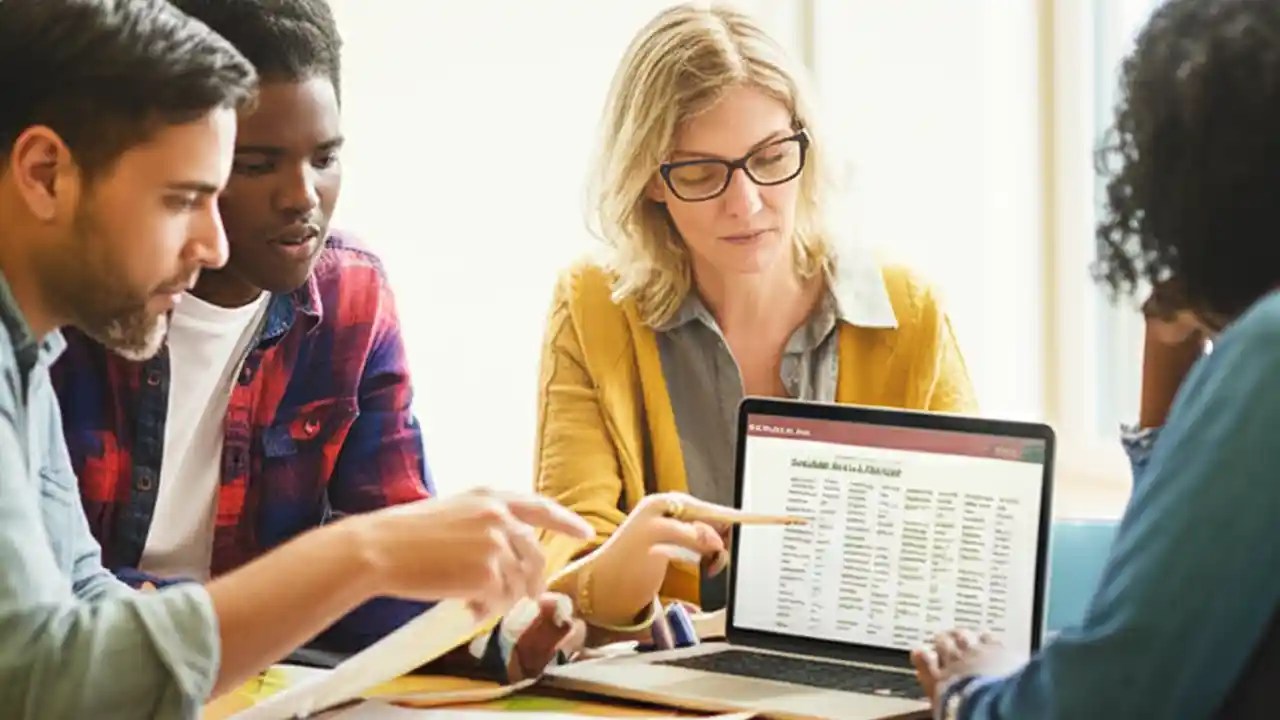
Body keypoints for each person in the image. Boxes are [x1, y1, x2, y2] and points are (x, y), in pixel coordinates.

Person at [0, 0, 591, 716]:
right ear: (43, 173)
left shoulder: (29, 352)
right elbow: (45, 678)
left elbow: (86, 594)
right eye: (183, 199)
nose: (212, 243)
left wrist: (474, 601)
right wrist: (360, 554)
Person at [535, 2, 977, 634]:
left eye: (771, 159)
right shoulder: (592, 309)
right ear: (651, 181)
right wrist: (629, 561)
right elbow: (564, 579)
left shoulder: (908, 310)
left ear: (807, 147)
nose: (745, 204)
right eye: (700, 173)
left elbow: (965, 552)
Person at [911, 0, 1280, 717]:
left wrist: (971, 691)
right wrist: (1170, 381)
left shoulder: (1269, 351)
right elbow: (1182, 570)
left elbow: (1110, 696)